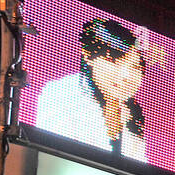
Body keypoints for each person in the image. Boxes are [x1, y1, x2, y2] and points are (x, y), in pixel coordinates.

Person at [34, 19, 148, 162]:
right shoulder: (62, 93)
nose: (126, 76)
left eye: (135, 67)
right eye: (114, 61)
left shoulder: (132, 112)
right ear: (88, 56)